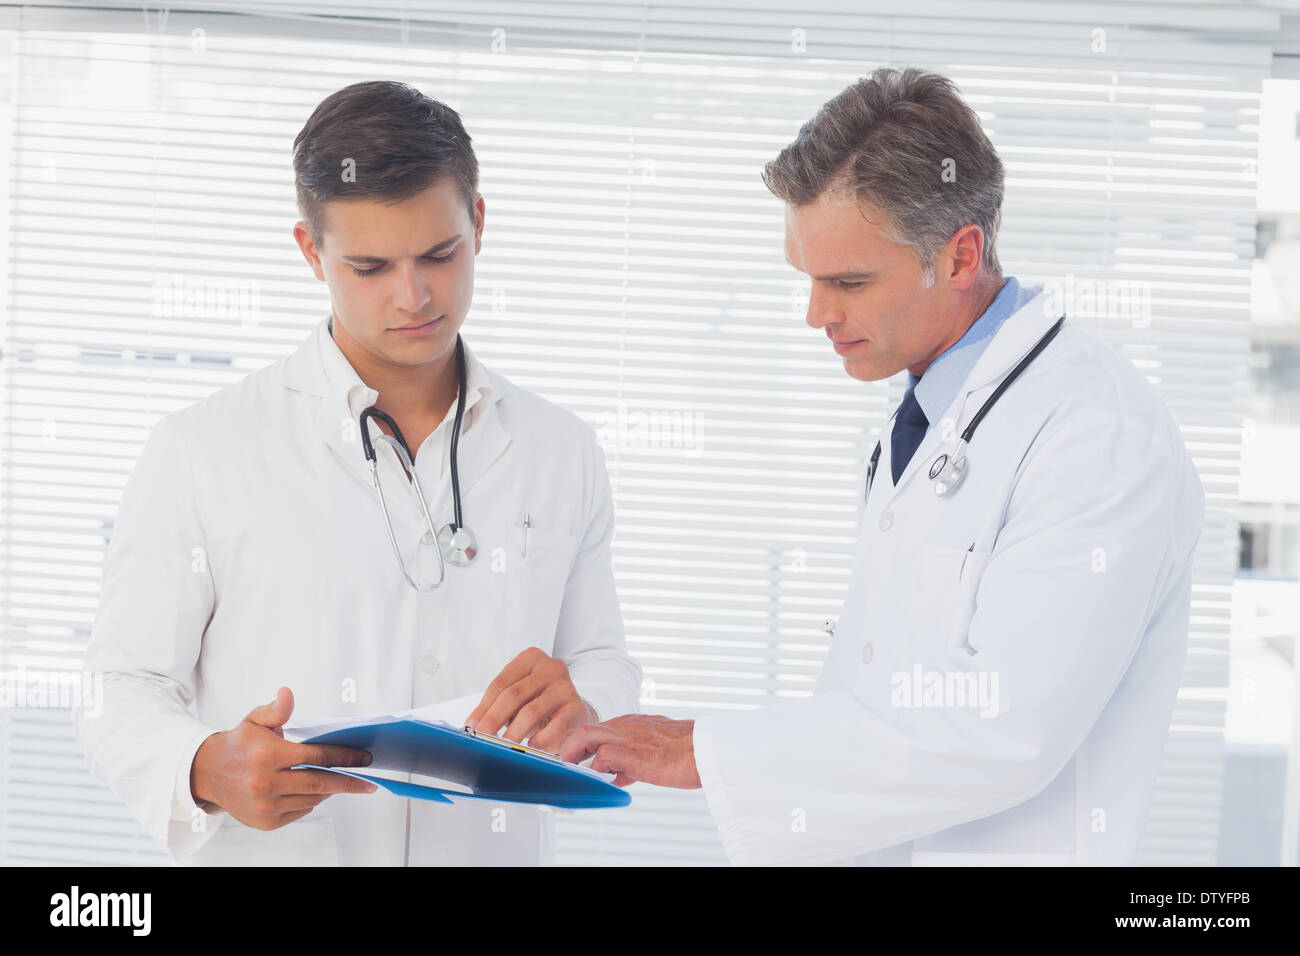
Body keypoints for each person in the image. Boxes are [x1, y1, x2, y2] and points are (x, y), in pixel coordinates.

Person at [561, 67, 1206, 866]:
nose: (817, 314)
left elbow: (1003, 726)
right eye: (809, 278)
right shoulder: (928, 419)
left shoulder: (1095, 431)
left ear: (960, 255)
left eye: (848, 282)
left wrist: (710, 753)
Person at [73, 80, 641, 866]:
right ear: (312, 253)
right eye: (370, 266)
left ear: (477, 223)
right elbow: (119, 687)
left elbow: (604, 662)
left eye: (440, 255)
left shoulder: (562, 449)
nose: (413, 295)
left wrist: (584, 700)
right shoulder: (201, 450)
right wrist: (204, 767)